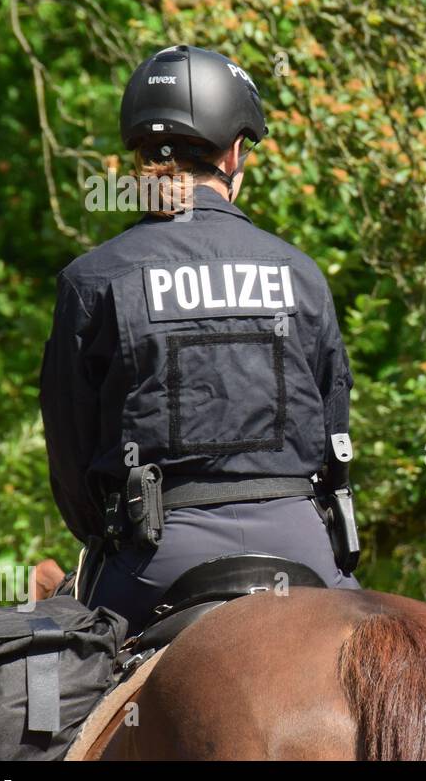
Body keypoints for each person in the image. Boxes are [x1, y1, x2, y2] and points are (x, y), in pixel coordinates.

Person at [39, 44, 360, 633]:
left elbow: (72, 465)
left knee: (61, 692)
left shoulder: (92, 281)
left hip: (158, 561)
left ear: (138, 155)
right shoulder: (302, 275)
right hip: (302, 547)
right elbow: (335, 445)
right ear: (236, 152)